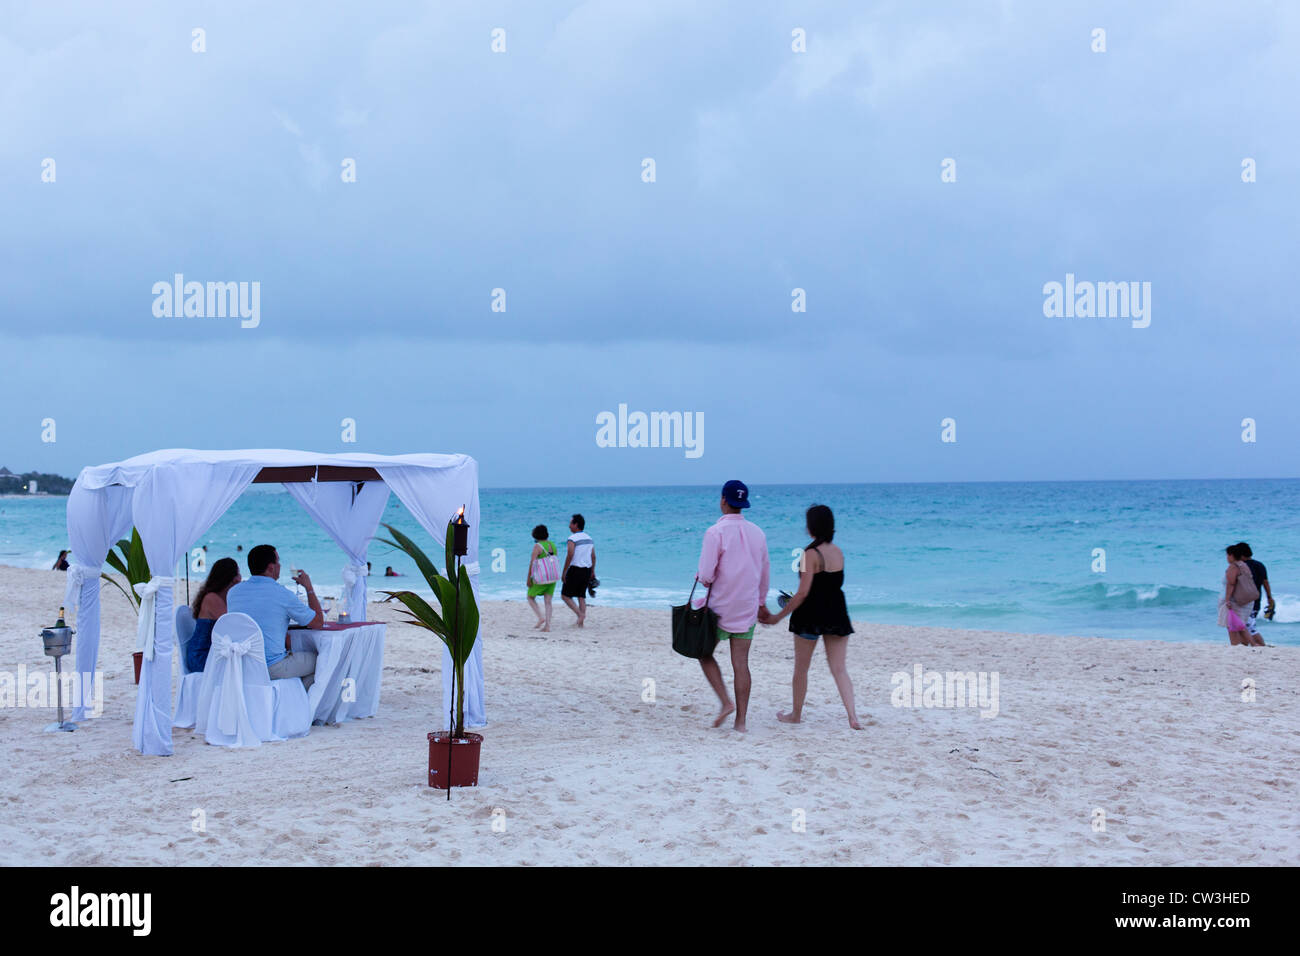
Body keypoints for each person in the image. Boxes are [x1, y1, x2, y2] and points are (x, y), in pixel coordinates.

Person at [758, 505, 861, 729]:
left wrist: (778, 616)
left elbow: (804, 593)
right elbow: (832, 586)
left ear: (811, 526)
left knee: (801, 669)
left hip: (811, 615)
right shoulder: (838, 552)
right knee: (839, 668)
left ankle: (796, 715)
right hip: (836, 612)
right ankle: (852, 716)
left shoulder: (810, 554)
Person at [694, 480, 768, 733]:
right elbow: (764, 572)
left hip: (719, 608)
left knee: (704, 653)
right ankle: (741, 722)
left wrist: (704, 577)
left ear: (723, 500)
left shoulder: (715, 532)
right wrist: (760, 602)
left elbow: (706, 575)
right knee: (741, 664)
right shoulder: (758, 533)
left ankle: (726, 702)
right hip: (746, 607)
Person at [226, 544, 324, 688]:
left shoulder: (233, 593)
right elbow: (318, 622)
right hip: (272, 667)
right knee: (323, 661)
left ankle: (290, 697)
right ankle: (301, 703)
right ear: (271, 567)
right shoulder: (282, 594)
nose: (280, 565)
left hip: (241, 665)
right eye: (278, 561)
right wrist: (308, 587)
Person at [186, 557, 241, 672]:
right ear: (231, 578)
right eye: (238, 574)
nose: (240, 578)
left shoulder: (222, 597)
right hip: (200, 657)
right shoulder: (212, 598)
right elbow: (230, 626)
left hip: (212, 653)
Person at [1219, 544, 1260, 647]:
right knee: (1240, 624)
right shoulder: (1243, 565)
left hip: (1235, 600)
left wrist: (1227, 599)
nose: (1227, 558)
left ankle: (1236, 645)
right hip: (1246, 600)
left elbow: (1231, 583)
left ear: (1232, 555)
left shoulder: (1233, 567)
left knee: (1232, 624)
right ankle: (1250, 644)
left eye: (1227, 555)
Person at [560, 514, 595, 627]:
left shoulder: (572, 538)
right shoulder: (589, 538)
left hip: (576, 569)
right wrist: (593, 571)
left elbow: (570, 555)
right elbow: (593, 556)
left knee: (565, 595)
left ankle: (580, 615)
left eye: (571, 523)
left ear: (576, 525)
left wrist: (564, 571)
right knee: (581, 596)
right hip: (587, 570)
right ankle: (581, 623)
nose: (569, 526)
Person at [1236, 542, 1274, 641]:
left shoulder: (1241, 566)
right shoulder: (1260, 565)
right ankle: (1248, 646)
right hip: (1256, 600)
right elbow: (1265, 583)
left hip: (1244, 601)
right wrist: (1270, 598)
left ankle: (1258, 646)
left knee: (1248, 628)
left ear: (1240, 554)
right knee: (1248, 627)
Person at [526, 524, 559, 631]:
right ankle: (547, 626)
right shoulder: (552, 545)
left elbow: (532, 562)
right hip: (552, 577)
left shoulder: (537, 546)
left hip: (541, 577)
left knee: (530, 597)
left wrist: (529, 578)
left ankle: (541, 618)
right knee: (548, 601)